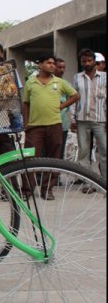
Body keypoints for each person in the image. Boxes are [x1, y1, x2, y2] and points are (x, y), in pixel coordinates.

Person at [22, 54, 79, 200]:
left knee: (53, 159)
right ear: (39, 65)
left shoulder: (59, 82)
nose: (52, 65)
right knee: (30, 160)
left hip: (54, 126)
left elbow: (75, 95)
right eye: (49, 63)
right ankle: (27, 190)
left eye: (54, 63)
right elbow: (26, 104)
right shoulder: (30, 82)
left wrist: (61, 106)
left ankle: (47, 190)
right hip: (35, 127)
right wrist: (26, 123)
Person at [71, 48, 107, 183]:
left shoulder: (104, 77)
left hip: (100, 119)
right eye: (84, 61)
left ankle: (104, 181)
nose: (87, 63)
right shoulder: (77, 77)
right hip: (82, 119)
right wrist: (72, 119)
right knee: (84, 152)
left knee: (104, 151)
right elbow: (74, 97)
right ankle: (86, 183)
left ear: (94, 61)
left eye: (89, 60)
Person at [54, 58, 71, 159]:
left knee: (60, 151)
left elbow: (71, 100)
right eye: (59, 67)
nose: (62, 70)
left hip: (62, 124)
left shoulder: (67, 84)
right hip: (48, 123)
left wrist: (61, 106)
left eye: (63, 68)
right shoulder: (47, 82)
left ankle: (57, 174)